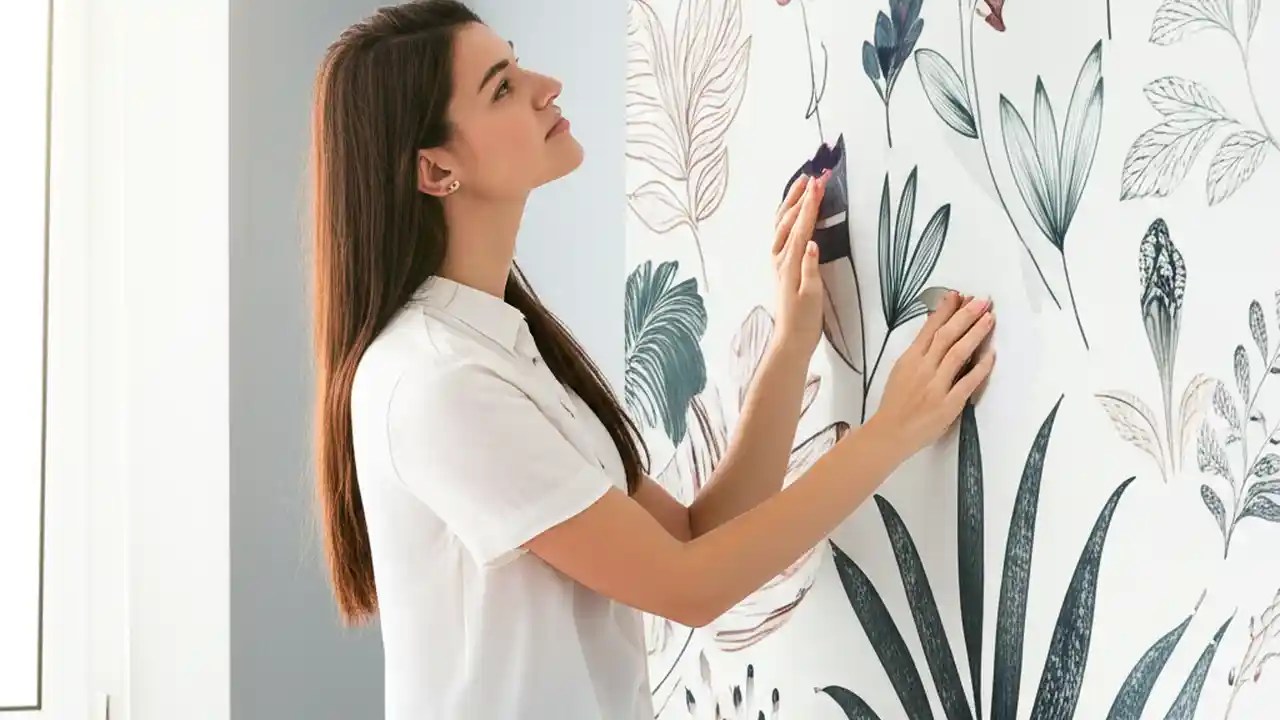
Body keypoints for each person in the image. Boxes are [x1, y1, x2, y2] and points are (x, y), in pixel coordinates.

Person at [308, 1, 996, 718]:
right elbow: (686, 587)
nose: (547, 85)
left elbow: (697, 533)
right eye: (503, 86)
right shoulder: (437, 382)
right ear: (435, 167)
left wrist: (793, 343)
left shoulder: (499, 347)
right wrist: (892, 430)